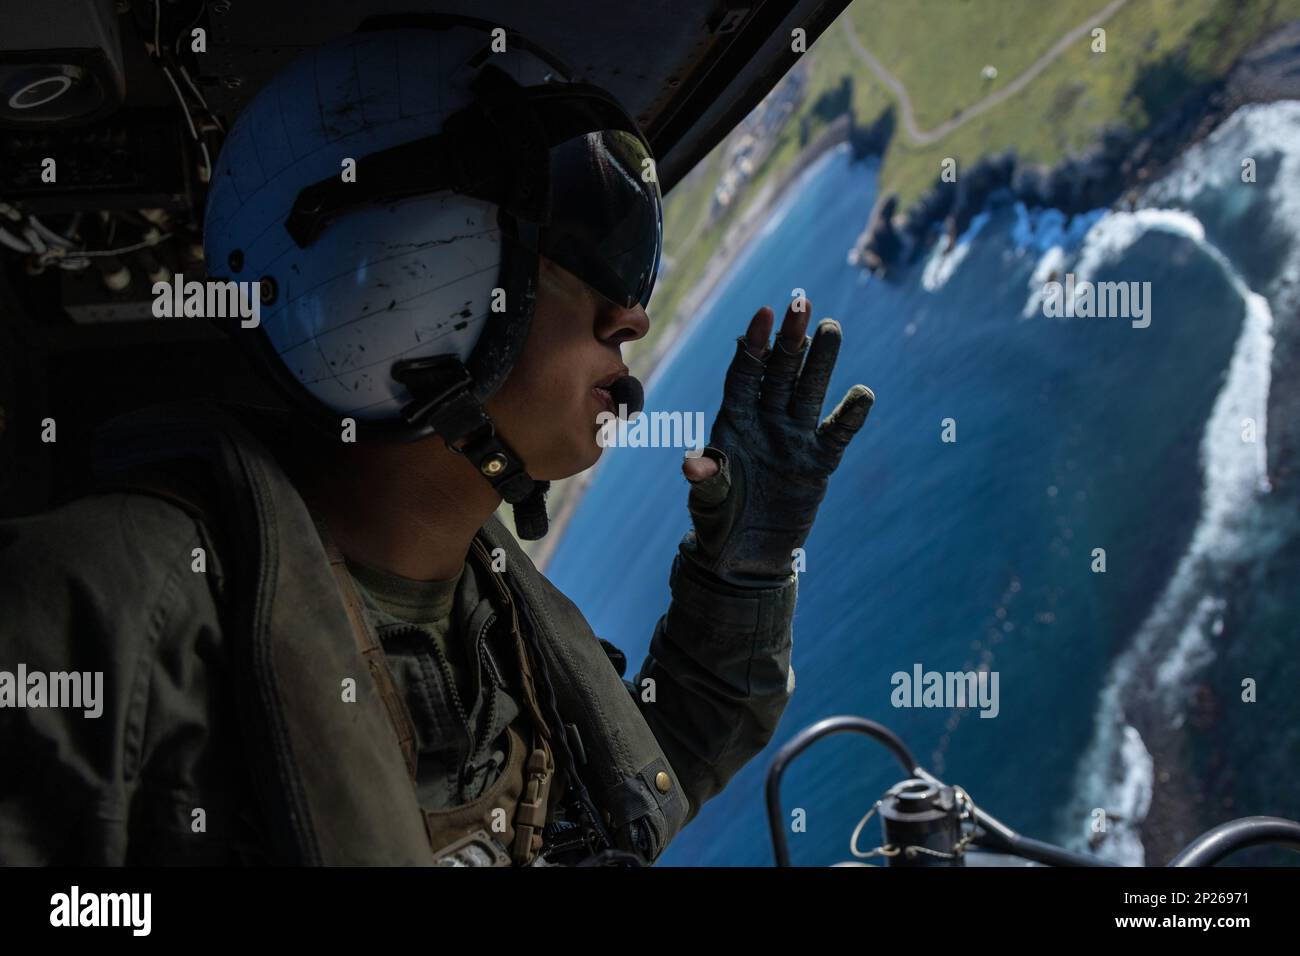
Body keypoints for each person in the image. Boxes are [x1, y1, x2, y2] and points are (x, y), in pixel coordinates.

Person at [0, 20, 873, 866]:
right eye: (581, 258)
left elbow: (633, 800)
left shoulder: (493, 625)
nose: (632, 314)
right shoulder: (94, 601)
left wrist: (745, 573)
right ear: (413, 284)